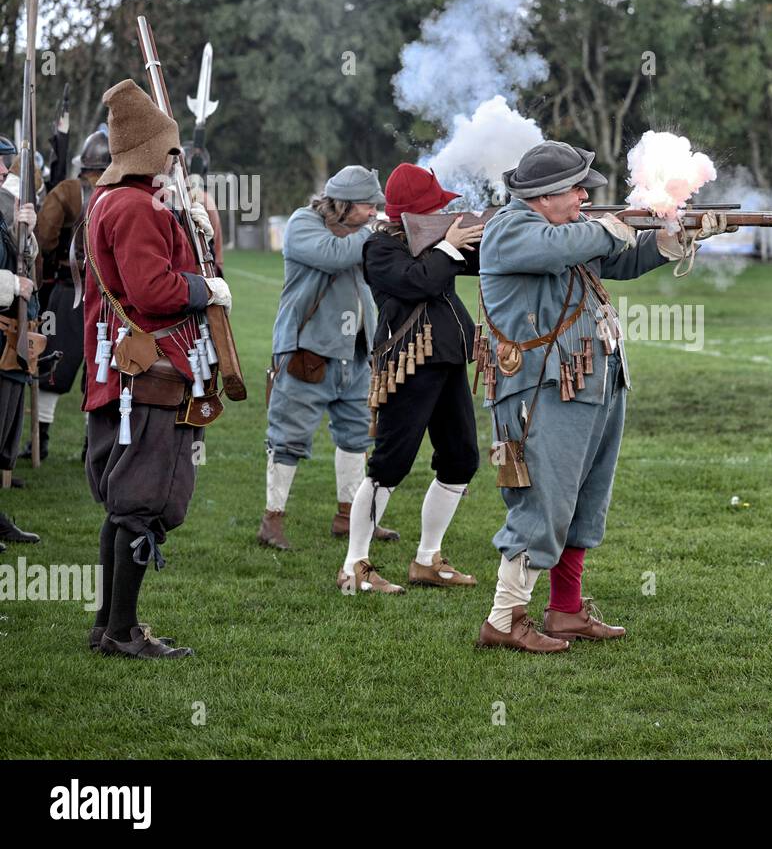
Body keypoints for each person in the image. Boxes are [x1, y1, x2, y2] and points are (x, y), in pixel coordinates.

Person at [474, 141, 732, 652]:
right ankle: (504, 618)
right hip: (541, 387)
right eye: (575, 189)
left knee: (583, 502)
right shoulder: (510, 229)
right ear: (544, 196)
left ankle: (565, 610)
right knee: (542, 502)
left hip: (592, 380)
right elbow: (566, 247)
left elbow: (621, 260)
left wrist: (672, 239)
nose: (583, 196)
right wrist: (611, 225)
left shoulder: (567, 232)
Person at [82, 79, 230, 659]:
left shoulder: (112, 201)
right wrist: (205, 286)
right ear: (154, 151)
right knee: (143, 502)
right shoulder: (138, 207)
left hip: (125, 372)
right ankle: (122, 631)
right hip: (151, 373)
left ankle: (108, 626)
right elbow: (155, 289)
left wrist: (188, 223)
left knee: (126, 503)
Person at [336, 163, 481, 594]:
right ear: (417, 213)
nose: (445, 214)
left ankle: (427, 558)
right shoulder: (379, 248)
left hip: (448, 358)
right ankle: (354, 565)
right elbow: (419, 282)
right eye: (437, 207)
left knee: (461, 459)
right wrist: (449, 245)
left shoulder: (434, 241)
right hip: (409, 364)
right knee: (388, 465)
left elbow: (487, 257)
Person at [260, 166, 397, 550]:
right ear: (344, 203)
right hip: (308, 351)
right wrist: (375, 234)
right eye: (368, 206)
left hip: (355, 354)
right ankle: (272, 519)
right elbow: (334, 255)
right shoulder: (303, 223)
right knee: (288, 437)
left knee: (356, 437)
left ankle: (348, 515)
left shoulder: (363, 233)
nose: (374, 212)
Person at [25, 130, 110, 462]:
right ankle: (93, 446)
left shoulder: (66, 191)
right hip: (108, 298)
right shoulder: (120, 192)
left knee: (52, 367)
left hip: (66, 293)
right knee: (99, 369)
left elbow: (42, 241)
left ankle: (40, 441)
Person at [0, 134, 40, 545]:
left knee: (5, 434)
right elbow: (14, 274)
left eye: (6, 162)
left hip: (10, 335)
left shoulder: (3, 206)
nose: (3, 169)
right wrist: (14, 283)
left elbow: (25, 257)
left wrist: (24, 228)